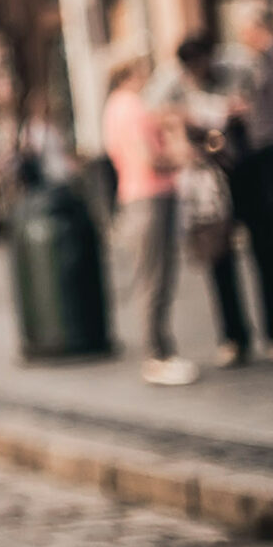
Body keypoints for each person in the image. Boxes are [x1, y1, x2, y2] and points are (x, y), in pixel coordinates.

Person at [148, 34, 252, 366]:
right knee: (218, 256)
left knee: (264, 251)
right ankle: (234, 337)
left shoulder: (232, 68)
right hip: (208, 184)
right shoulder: (175, 81)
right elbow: (153, 107)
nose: (198, 70)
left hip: (241, 170)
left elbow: (248, 100)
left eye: (201, 62)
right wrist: (184, 117)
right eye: (191, 66)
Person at [101, 56, 197, 386]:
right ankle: (156, 355)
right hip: (149, 197)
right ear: (129, 73)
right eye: (142, 69)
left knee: (154, 276)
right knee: (154, 278)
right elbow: (148, 158)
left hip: (141, 197)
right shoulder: (129, 107)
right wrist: (180, 157)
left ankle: (161, 352)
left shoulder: (117, 107)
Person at [222, 0, 273, 351]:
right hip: (257, 174)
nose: (241, 36)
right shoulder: (252, 65)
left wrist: (249, 115)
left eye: (243, 29)